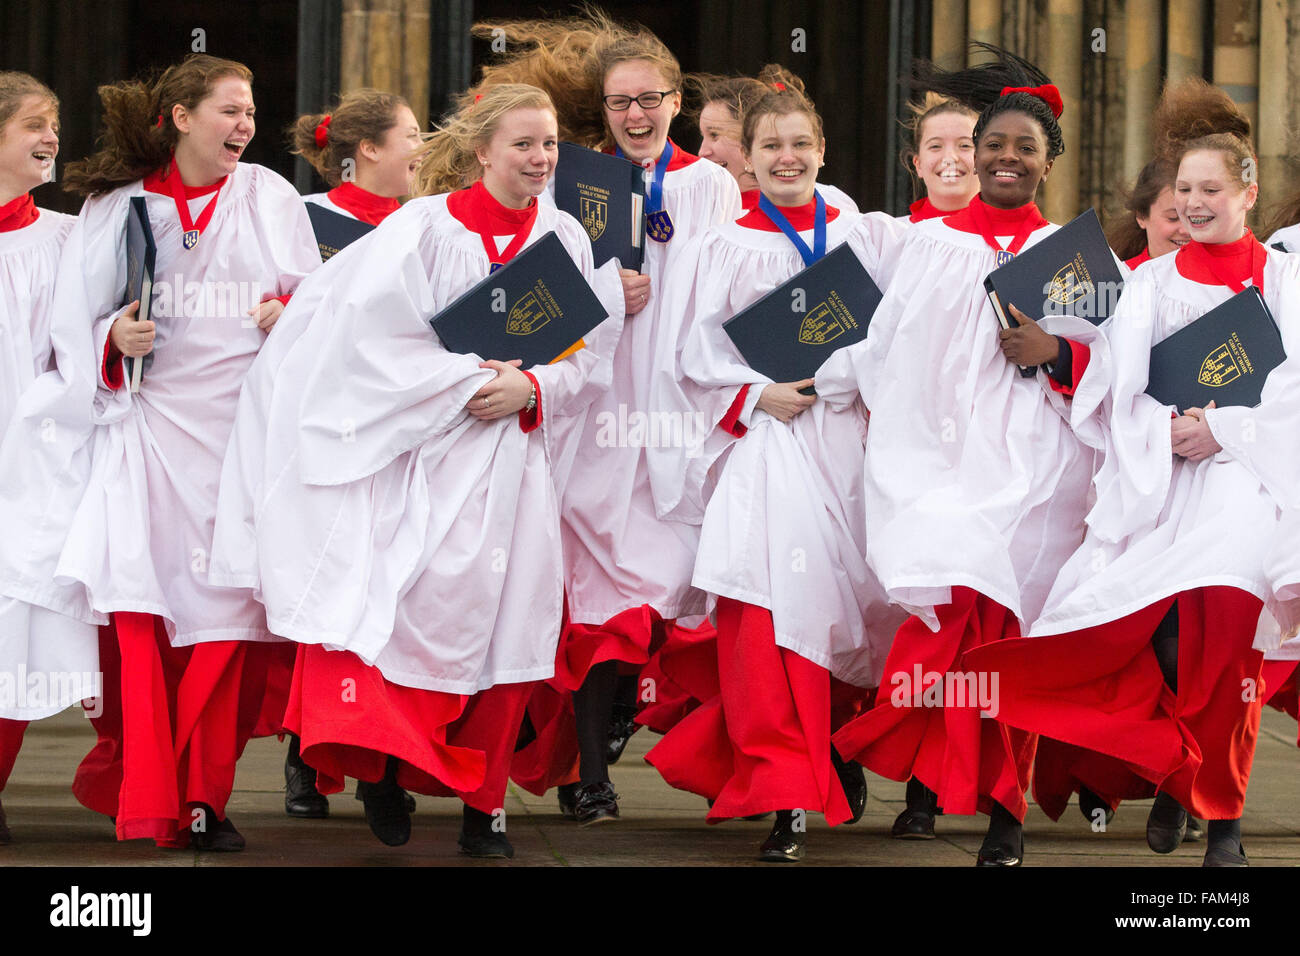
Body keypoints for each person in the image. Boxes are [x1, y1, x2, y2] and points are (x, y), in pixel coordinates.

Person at [216, 82, 632, 859]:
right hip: (434, 458)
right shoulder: (423, 227)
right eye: (523, 144)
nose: (541, 159)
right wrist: (467, 383)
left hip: (518, 459)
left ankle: (486, 808)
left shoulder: (569, 237)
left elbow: (594, 353)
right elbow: (366, 341)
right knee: (411, 620)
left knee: (512, 628)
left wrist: (536, 385)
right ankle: (384, 768)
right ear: (481, 151)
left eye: (549, 145)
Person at [968, 78, 1300, 867]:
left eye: (1209, 189)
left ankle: (1223, 823)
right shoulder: (1148, 285)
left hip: (1245, 482)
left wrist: (1220, 427)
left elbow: (1295, 389)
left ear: (1247, 193)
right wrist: (1166, 429)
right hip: (1157, 483)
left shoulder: (1286, 283)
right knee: (1115, 628)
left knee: (1225, 645)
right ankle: (1174, 775)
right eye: (1182, 188)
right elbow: (1116, 389)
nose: (1191, 203)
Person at [0, 54, 320, 851]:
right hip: (143, 436)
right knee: (143, 632)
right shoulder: (117, 206)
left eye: (250, 112)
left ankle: (207, 798)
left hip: (239, 443)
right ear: (180, 117)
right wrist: (112, 337)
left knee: (225, 628)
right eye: (229, 110)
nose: (245, 125)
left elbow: (316, 299)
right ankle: (148, 798)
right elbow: (73, 321)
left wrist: (290, 310)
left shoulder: (272, 197)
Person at [816, 44, 1109, 866]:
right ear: (973, 154)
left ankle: (1006, 817)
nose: (1007, 157)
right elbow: (876, 349)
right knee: (939, 635)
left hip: (1039, 475)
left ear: (1049, 162)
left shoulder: (1075, 258)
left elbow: (1118, 372)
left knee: (1010, 646)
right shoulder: (924, 245)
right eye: (995, 145)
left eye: (1026, 147)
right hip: (943, 467)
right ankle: (882, 743)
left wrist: (1056, 352)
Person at [469, 12, 741, 824]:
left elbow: (723, 292)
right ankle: (591, 775)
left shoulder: (709, 187)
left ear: (675, 100)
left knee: (666, 582)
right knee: (591, 598)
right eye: (621, 101)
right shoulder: (570, 183)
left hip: (673, 411)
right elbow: (527, 293)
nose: (635, 115)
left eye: (650, 99)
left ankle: (628, 713)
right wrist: (597, 297)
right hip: (588, 411)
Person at [642, 78, 907, 862]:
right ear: (747, 162)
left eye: (801, 144)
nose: (787, 158)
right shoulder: (724, 244)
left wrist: (845, 377)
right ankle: (783, 790)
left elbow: (894, 326)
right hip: (768, 442)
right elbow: (690, 352)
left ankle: (830, 751)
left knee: (845, 607)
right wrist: (755, 394)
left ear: (822, 151)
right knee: (766, 606)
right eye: (770, 147)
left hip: (847, 442)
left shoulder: (858, 230)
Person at [267, 89, 425, 819]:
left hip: (404, 431)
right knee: (321, 589)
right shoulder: (305, 218)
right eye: (412, 136)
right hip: (325, 428)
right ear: (367, 150)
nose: (424, 149)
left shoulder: (433, 222)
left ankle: (382, 765)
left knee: (393, 602)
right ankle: (305, 754)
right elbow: (273, 302)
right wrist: (277, 310)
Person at [0, 72, 98, 846]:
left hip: (35, 466)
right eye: (36, 124)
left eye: (56, 124)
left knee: (17, 631)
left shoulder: (67, 238)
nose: (52, 138)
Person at [690, 65, 858, 212]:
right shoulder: (703, 209)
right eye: (703, 136)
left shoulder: (833, 202)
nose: (702, 152)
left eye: (714, 135)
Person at [899, 91, 979, 222]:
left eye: (965, 145)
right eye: (935, 146)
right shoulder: (892, 235)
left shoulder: (1012, 237)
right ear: (918, 164)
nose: (950, 157)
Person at [1107, 158, 1188, 267]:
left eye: (1194, 218)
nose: (1186, 230)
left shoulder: (1216, 278)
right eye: (1173, 218)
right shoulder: (1124, 278)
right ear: (1141, 216)